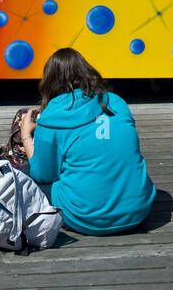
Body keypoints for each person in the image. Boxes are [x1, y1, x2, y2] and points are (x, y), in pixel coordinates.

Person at [19, 49, 156, 236]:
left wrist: (26, 134)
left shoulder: (52, 116)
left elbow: (42, 175)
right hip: (137, 210)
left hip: (86, 216)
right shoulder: (116, 102)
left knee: (24, 176)